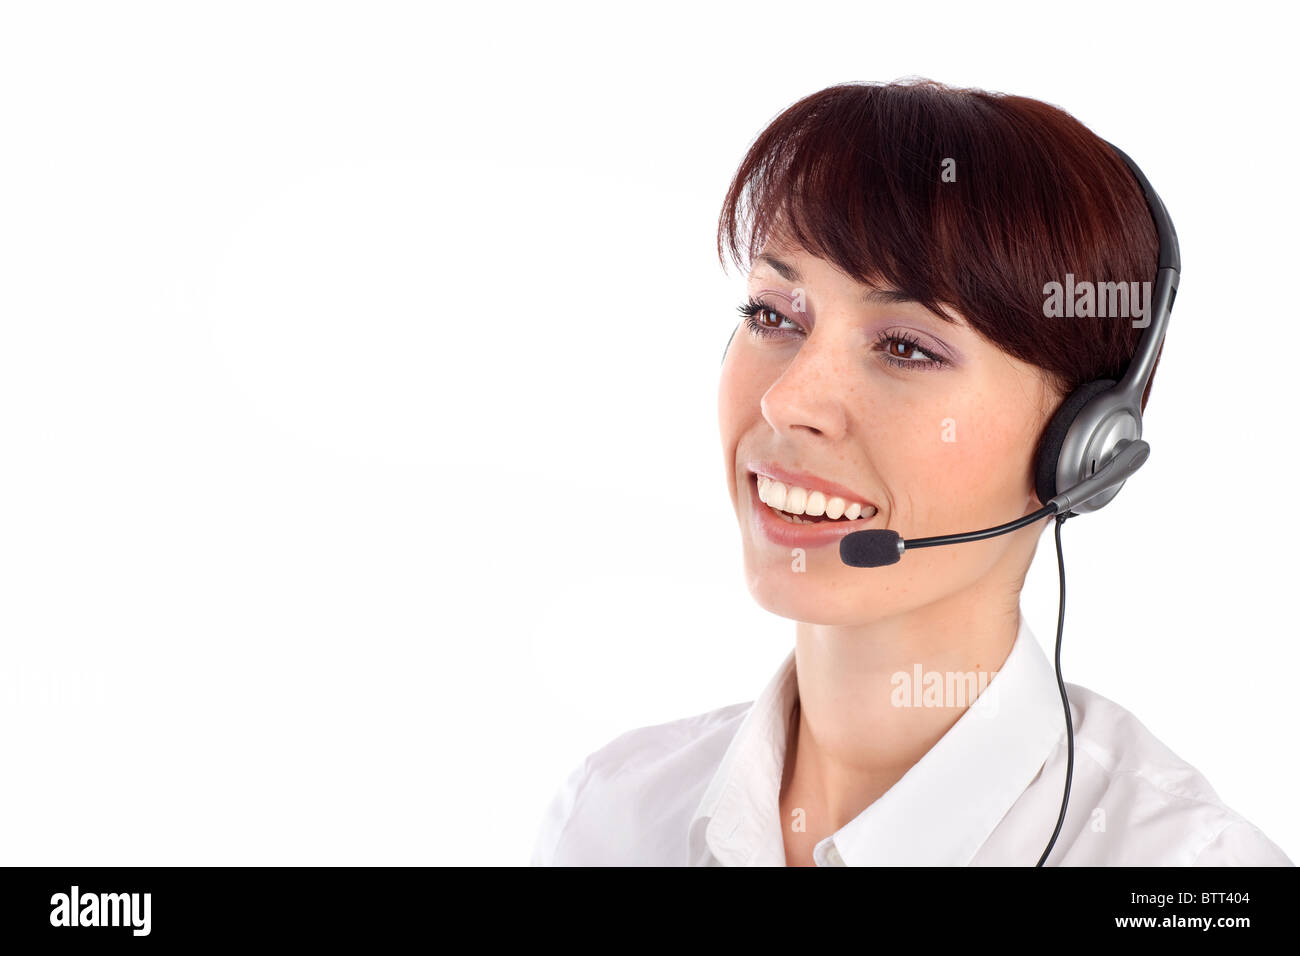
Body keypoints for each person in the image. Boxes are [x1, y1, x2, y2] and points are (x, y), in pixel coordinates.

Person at [530, 78, 1293, 866]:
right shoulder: (611, 816)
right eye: (773, 316)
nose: (789, 402)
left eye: (905, 347)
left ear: (1081, 451)